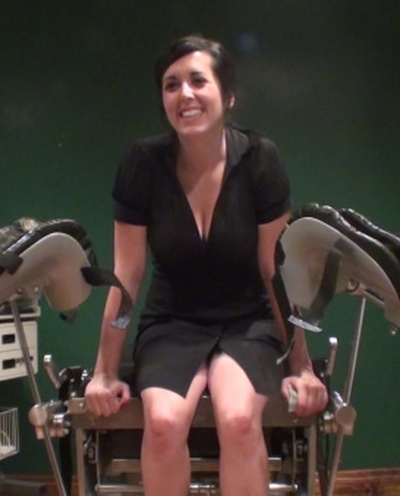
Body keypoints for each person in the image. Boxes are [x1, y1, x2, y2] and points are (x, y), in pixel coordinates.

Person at [85, 34, 328, 496]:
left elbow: (274, 270)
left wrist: (301, 366)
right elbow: (128, 275)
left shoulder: (260, 159)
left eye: (198, 81)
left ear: (228, 95)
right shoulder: (141, 163)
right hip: (171, 321)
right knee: (163, 422)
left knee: (238, 420)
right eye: (171, 85)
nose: (185, 94)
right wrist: (105, 371)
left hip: (248, 322)